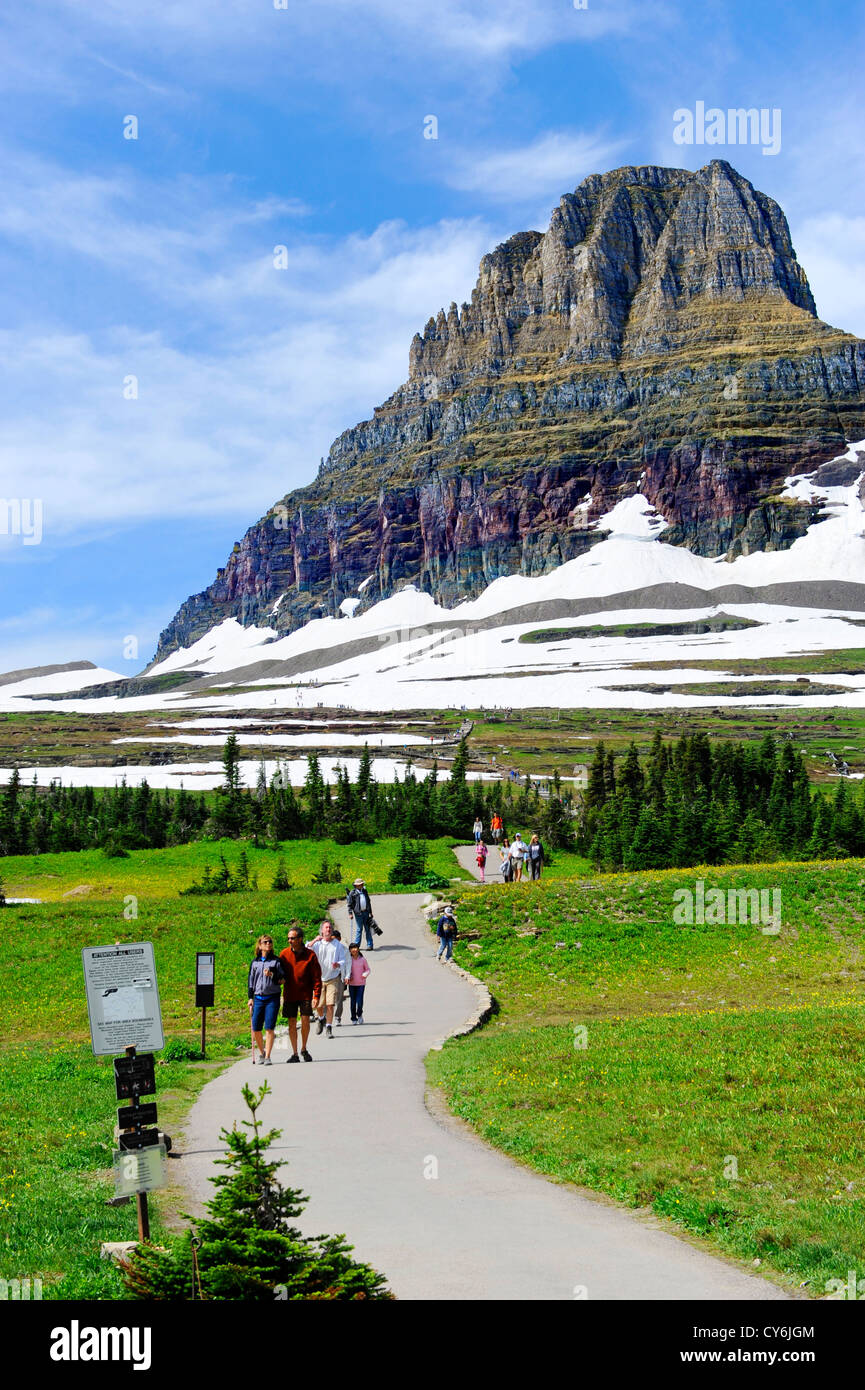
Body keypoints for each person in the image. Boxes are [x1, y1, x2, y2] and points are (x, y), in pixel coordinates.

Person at [278, 925, 322, 1062]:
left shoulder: (310, 955)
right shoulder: (284, 954)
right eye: (288, 938)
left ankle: (304, 1048)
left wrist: (316, 996)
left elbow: (317, 977)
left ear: (300, 939)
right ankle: (295, 1053)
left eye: (293, 938)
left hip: (305, 994)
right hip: (290, 994)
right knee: (291, 1022)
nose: (290, 941)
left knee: (305, 1021)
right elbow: (279, 973)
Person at [310, 919, 350, 1039]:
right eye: (326, 927)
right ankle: (321, 1019)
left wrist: (337, 964)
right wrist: (313, 941)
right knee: (319, 1005)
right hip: (319, 978)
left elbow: (343, 960)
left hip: (333, 978)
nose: (328, 929)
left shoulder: (337, 945)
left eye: (330, 927)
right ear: (322, 930)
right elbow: (306, 949)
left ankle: (328, 1027)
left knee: (330, 1004)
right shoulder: (317, 944)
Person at [247, 934, 283, 1066]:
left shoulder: (276, 961)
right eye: (265, 942)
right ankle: (261, 1052)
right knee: (256, 1028)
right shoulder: (255, 962)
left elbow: (282, 978)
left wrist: (272, 974)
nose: (268, 944)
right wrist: (250, 997)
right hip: (258, 998)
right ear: (260, 945)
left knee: (269, 1027)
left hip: (272, 997)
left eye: (270, 942)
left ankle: (268, 1056)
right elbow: (251, 981)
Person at [347, 877, 375, 949]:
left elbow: (368, 901)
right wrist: (350, 913)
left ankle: (370, 945)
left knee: (367, 928)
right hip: (358, 913)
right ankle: (356, 945)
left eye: (362, 884)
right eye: (360, 884)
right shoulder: (352, 893)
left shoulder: (365, 891)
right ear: (356, 885)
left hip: (366, 912)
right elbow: (349, 904)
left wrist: (370, 912)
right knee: (359, 929)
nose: (361, 885)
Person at [347, 942, 371, 1023]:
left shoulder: (362, 959)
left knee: (359, 1001)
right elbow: (346, 970)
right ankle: (353, 1018)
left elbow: (368, 969)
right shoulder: (349, 960)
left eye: (356, 948)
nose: (354, 949)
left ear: (358, 949)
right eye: (352, 948)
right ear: (350, 950)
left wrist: (364, 974)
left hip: (361, 984)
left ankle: (359, 1014)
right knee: (353, 1002)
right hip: (352, 984)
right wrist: (348, 976)